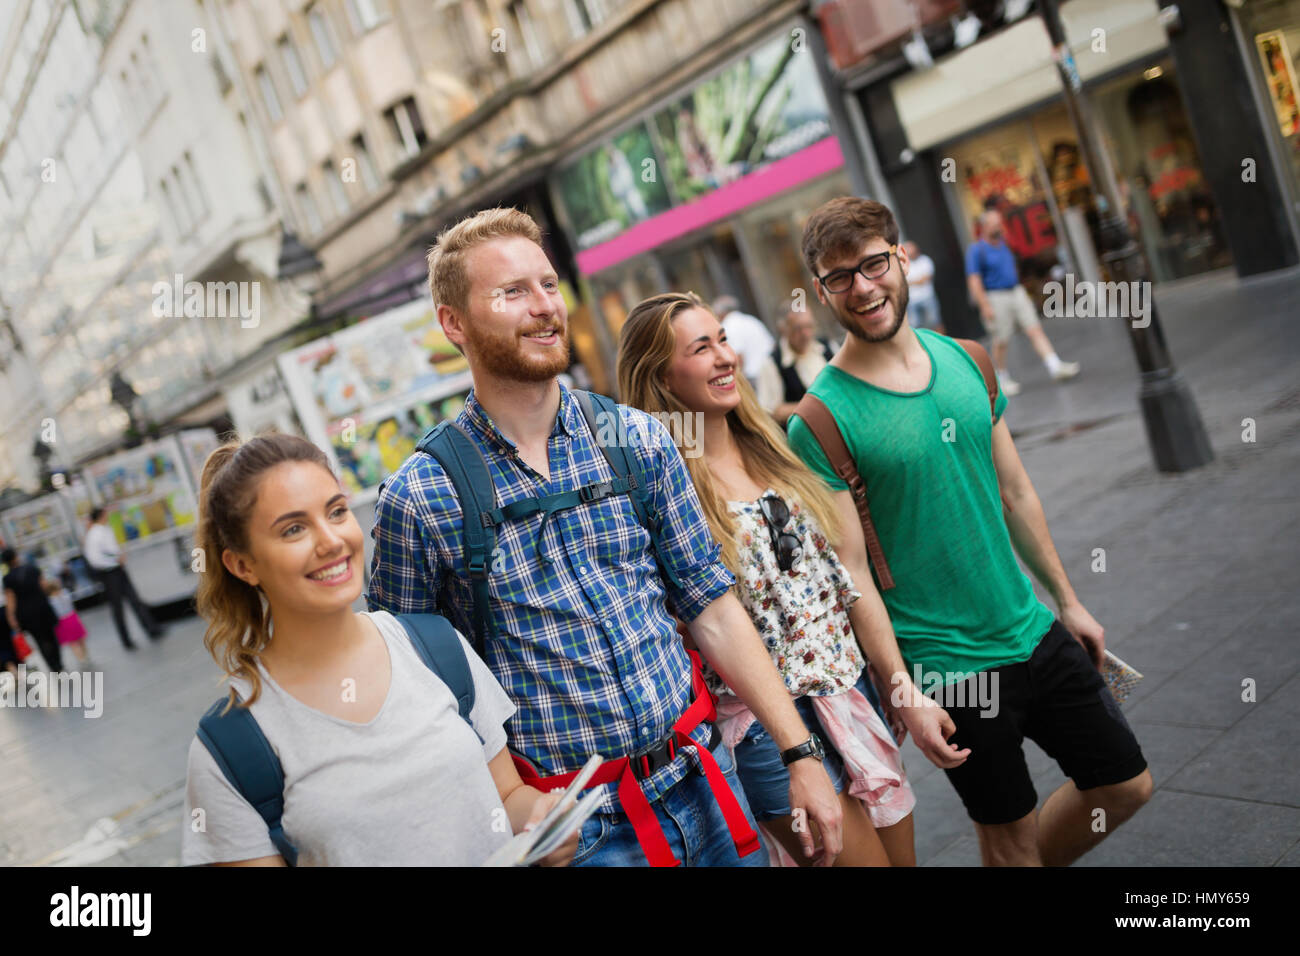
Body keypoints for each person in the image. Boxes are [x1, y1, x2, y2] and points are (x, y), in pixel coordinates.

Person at [369, 207, 844, 867]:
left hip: (705, 779)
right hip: (576, 833)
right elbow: (417, 697)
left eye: (547, 284)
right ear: (454, 323)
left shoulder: (635, 437)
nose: (544, 306)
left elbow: (711, 606)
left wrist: (800, 752)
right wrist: (506, 812)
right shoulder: (421, 497)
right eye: (512, 292)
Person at [789, 196, 1152, 866]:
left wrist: (1069, 601)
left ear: (902, 258)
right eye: (840, 276)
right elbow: (852, 573)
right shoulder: (820, 420)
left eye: (873, 264)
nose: (862, 287)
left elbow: (1015, 492)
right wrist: (904, 690)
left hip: (1030, 625)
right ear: (820, 290)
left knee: (1126, 785)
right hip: (947, 666)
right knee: (1009, 839)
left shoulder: (969, 360)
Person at [617, 291, 926, 867]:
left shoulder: (774, 446)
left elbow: (847, 577)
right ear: (661, 377)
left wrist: (897, 683)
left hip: (847, 688)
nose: (725, 357)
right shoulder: (662, 489)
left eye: (723, 340)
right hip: (763, 725)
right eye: (701, 348)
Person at [181, 433, 577, 867]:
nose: (331, 541)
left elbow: (506, 796)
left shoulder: (436, 648)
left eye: (336, 512)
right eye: (294, 529)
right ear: (242, 565)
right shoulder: (231, 747)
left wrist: (539, 817)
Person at [966, 209, 1080, 396]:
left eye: (999, 222)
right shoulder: (976, 250)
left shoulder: (1004, 243)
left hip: (1016, 291)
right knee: (1001, 340)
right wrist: (985, 305)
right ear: (984, 226)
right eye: (994, 223)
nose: (998, 226)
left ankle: (1055, 366)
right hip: (995, 297)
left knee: (1034, 329)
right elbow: (974, 280)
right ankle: (1000, 378)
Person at [83, 507, 164, 650]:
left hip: (117, 570)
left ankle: (151, 628)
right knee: (118, 607)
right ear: (101, 515)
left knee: (134, 600)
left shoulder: (103, 530)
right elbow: (95, 559)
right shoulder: (95, 534)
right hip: (109, 573)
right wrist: (115, 560)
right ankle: (126, 639)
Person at [754, 302, 836, 427]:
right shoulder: (772, 364)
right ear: (783, 329)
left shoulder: (827, 346)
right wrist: (817, 407)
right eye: (798, 329)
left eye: (809, 326)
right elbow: (771, 410)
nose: (805, 334)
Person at [2, 549, 63, 672]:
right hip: (42, 607)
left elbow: (11, 599)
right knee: (51, 636)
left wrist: (11, 617)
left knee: (40, 640)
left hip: (26, 615)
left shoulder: (8, 579)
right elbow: (44, 585)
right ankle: (58, 663)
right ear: (16, 557)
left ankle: (53, 666)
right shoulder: (32, 569)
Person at [711, 294, 775, 387]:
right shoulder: (751, 320)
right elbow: (771, 345)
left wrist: (739, 382)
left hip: (753, 377)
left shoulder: (728, 326)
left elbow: (738, 357)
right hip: (771, 370)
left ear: (721, 313)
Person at [45, 572, 89, 666]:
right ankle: (85, 655)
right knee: (80, 639)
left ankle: (80, 658)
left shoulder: (50, 601)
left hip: (62, 622)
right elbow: (72, 606)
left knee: (72, 643)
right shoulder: (65, 593)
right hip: (72, 617)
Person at [901, 240, 944, 334]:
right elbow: (903, 283)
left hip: (927, 297)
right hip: (912, 301)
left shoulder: (925, 261)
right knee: (915, 328)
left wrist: (911, 282)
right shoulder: (904, 265)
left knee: (935, 322)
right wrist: (917, 281)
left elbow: (925, 279)